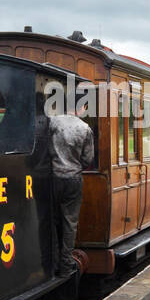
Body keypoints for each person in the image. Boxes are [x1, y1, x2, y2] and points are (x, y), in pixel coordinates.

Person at [48, 106, 95, 283]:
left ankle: (51, 265)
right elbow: (87, 159)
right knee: (69, 223)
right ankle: (65, 267)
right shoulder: (84, 128)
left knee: (51, 221)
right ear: (81, 108)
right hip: (73, 178)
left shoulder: (53, 123)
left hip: (52, 177)